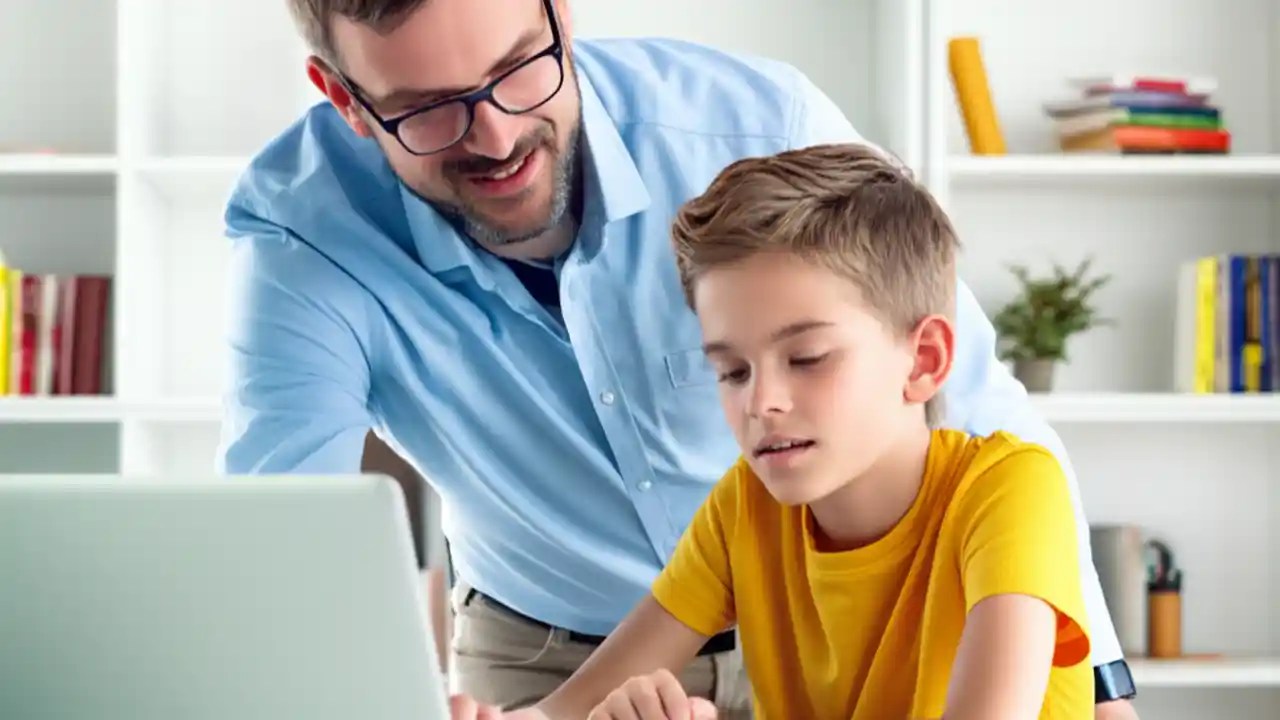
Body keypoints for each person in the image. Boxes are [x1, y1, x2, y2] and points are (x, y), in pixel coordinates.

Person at [219, 0, 1138, 717]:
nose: (495, 136)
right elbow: (280, 544)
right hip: (545, 633)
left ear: (561, 18)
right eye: (427, 110)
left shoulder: (752, 122)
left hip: (857, 629)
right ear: (344, 98)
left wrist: (1100, 678)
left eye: (516, 73)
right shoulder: (301, 237)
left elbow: (971, 389)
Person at [453, 141, 1098, 719]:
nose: (762, 402)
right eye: (732, 371)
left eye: (808, 358)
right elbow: (566, 709)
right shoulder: (747, 508)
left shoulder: (1008, 488)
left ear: (923, 360)